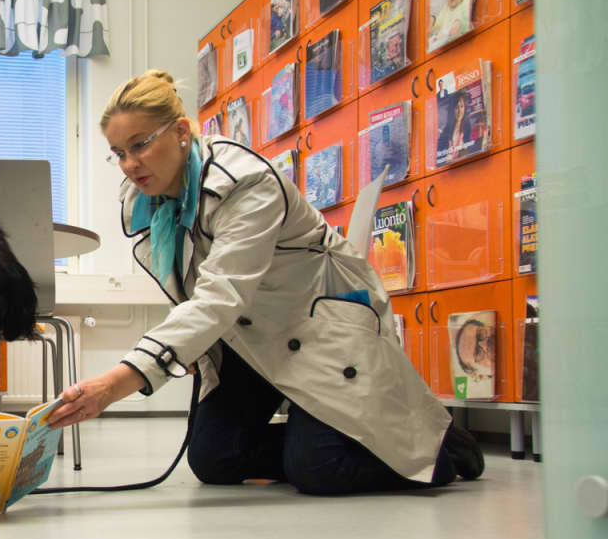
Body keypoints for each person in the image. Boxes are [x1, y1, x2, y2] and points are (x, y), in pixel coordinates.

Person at [47, 69, 484, 495]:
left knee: (319, 470)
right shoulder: (148, 199)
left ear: (181, 130)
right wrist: (192, 345)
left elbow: (220, 295)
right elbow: (194, 287)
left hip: (312, 325)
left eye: (139, 144)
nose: (129, 164)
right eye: (118, 152)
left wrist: (114, 384)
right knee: (215, 460)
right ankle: (329, 437)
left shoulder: (246, 182)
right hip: (248, 334)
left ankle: (436, 444)